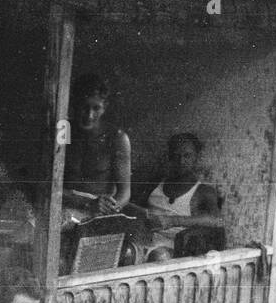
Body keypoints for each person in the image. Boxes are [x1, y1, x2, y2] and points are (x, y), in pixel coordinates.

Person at [138, 132, 225, 258]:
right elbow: (135, 209)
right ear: (169, 158)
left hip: (175, 249)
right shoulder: (155, 184)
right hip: (144, 242)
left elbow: (217, 221)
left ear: (196, 158)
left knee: (159, 256)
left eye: (187, 156)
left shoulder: (203, 191)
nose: (181, 161)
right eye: (176, 156)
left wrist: (173, 221)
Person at [62, 74, 132, 218]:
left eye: (96, 108)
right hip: (64, 204)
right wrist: (83, 203)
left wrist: (109, 207)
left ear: (104, 107)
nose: (89, 115)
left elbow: (124, 193)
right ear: (74, 104)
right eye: (84, 107)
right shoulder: (64, 130)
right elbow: (49, 182)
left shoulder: (117, 138)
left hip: (98, 212)